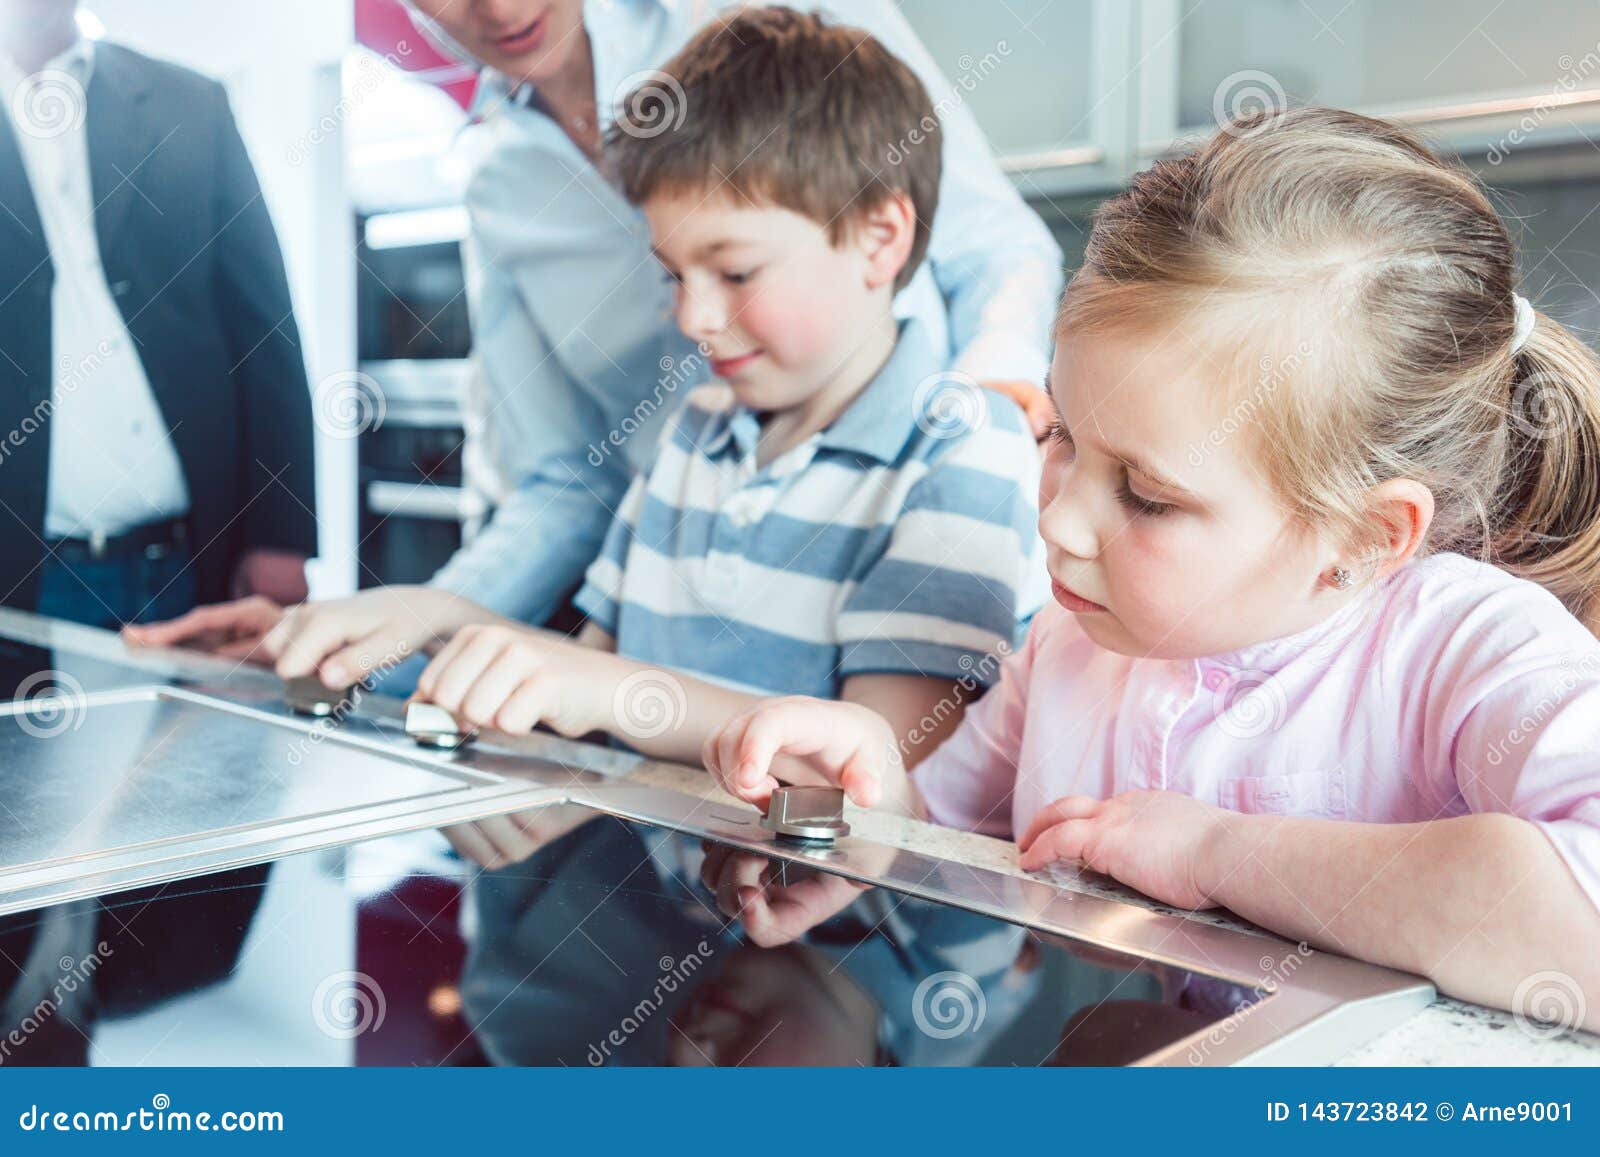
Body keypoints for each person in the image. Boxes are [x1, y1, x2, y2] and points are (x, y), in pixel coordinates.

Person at [701, 107, 1600, 1029]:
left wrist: (1219, 852)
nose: (1059, 519)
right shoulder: (1078, 641)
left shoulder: (1472, 649)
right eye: (1060, 436)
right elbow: (942, 817)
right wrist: (868, 789)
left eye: (1148, 495)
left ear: (1365, 536)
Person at [126, 0, 1060, 668]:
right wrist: (368, 633)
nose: (492, 8)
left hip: (892, 547)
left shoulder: (772, 26)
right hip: (684, 586)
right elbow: (570, 476)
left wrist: (967, 428)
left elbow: (994, 246)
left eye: (735, 273)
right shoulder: (497, 179)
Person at [0, 0, 315, 629]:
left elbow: (263, 323)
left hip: (191, 565)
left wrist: (283, 529)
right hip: (20, 575)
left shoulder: (191, 103)